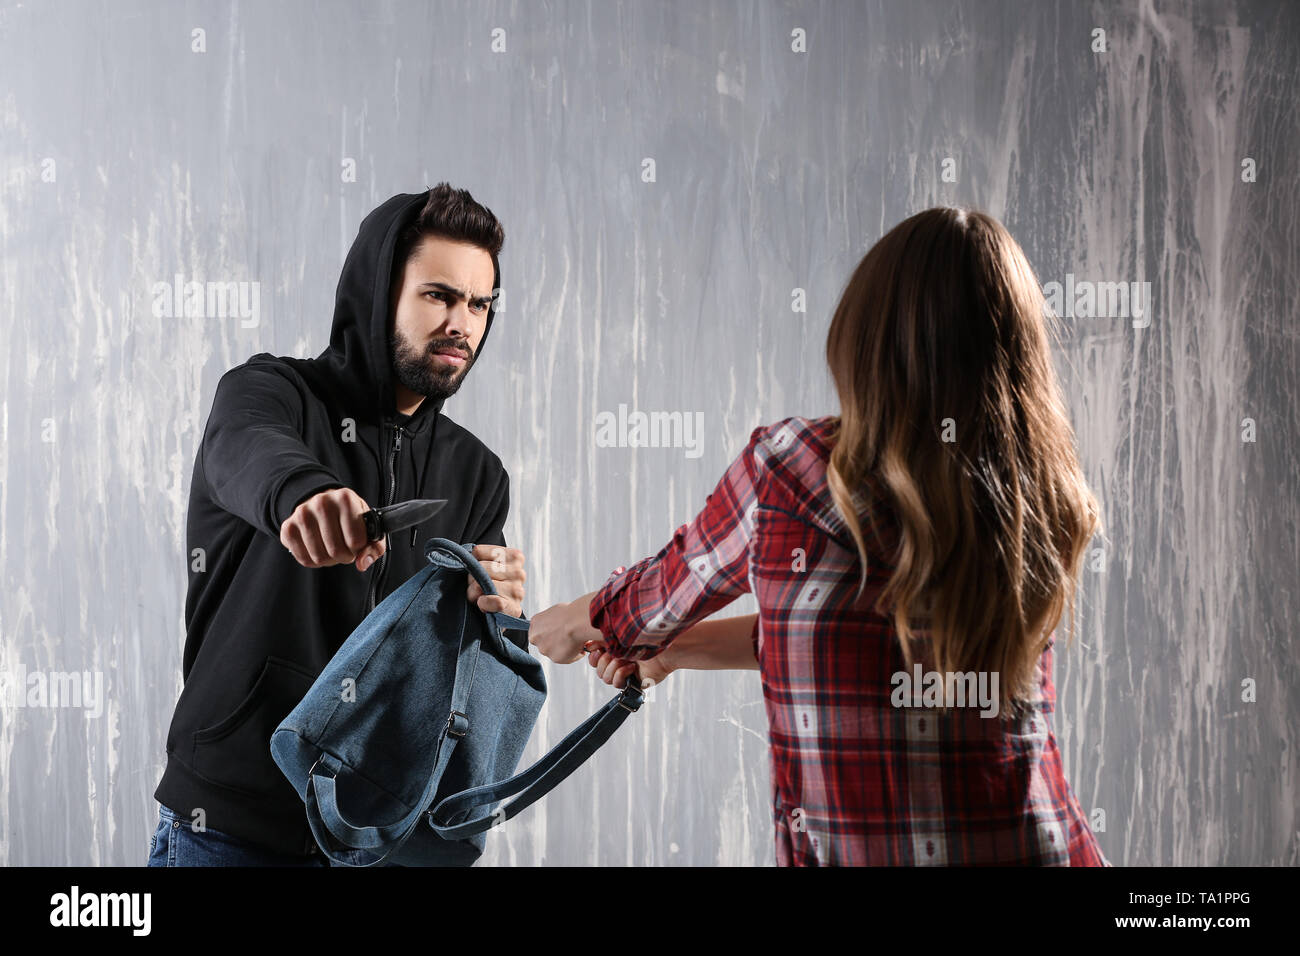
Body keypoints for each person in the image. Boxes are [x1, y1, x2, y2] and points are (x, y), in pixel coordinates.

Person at [529, 207, 1110, 866]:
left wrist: (576, 622)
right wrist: (671, 654)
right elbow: (855, 641)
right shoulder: (1039, 495)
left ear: (867, 340)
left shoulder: (796, 466)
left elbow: (658, 596)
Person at [149, 184, 526, 866]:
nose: (462, 324)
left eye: (479, 304)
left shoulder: (478, 474)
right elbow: (248, 446)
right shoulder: (269, 394)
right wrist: (305, 494)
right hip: (230, 831)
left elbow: (453, 678)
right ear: (379, 293)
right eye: (438, 295)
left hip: (378, 842)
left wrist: (494, 609)